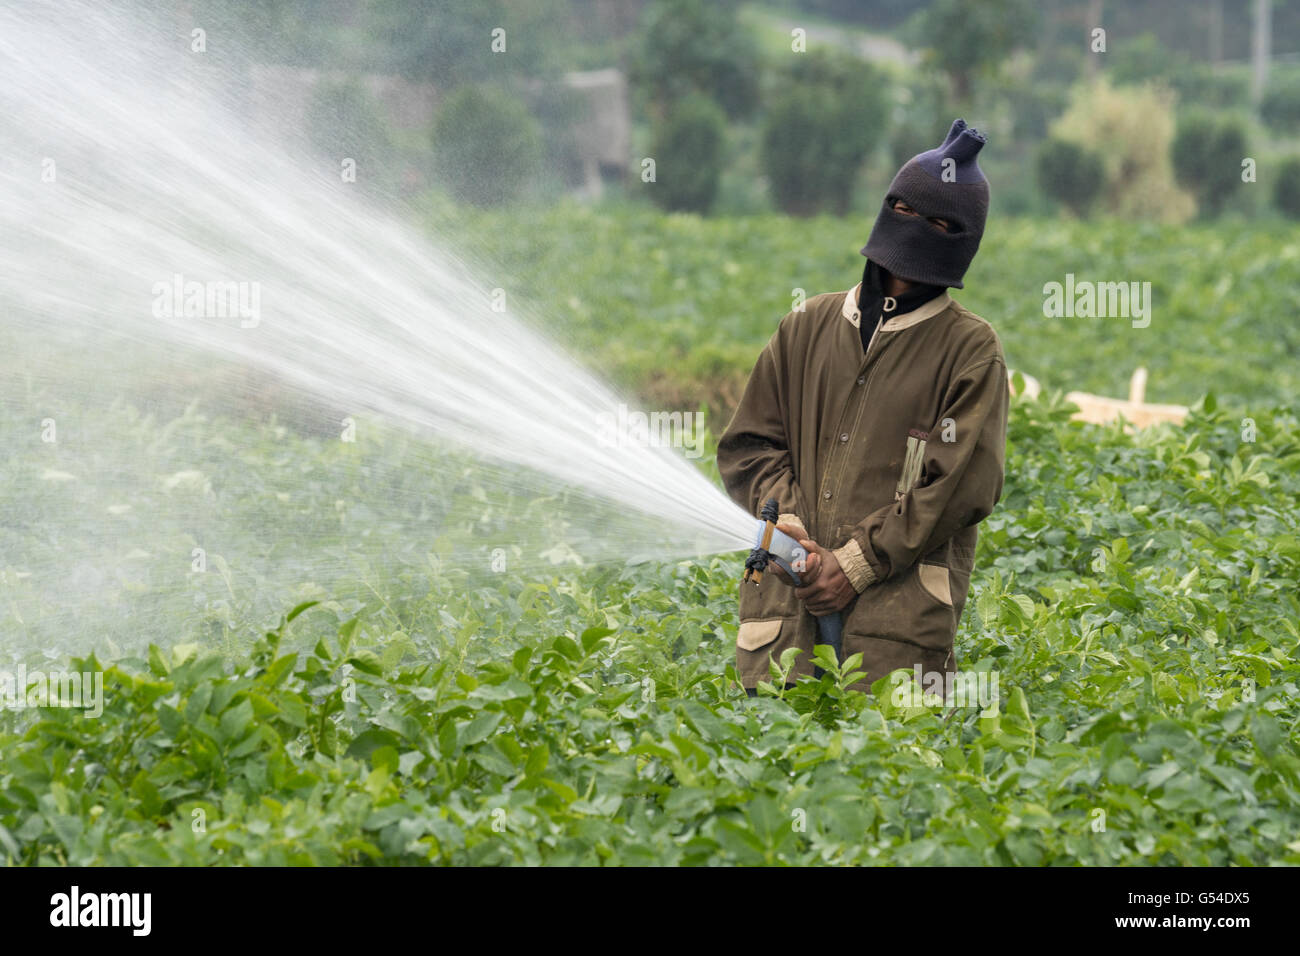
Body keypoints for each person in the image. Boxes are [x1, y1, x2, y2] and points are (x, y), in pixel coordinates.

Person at [718, 119, 1010, 697]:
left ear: (965, 240)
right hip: (784, 628)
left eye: (943, 224)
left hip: (894, 640)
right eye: (906, 210)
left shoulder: (971, 351)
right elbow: (751, 445)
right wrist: (788, 522)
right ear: (886, 208)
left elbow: (957, 485)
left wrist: (855, 566)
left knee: (888, 778)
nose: (920, 229)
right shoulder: (805, 327)